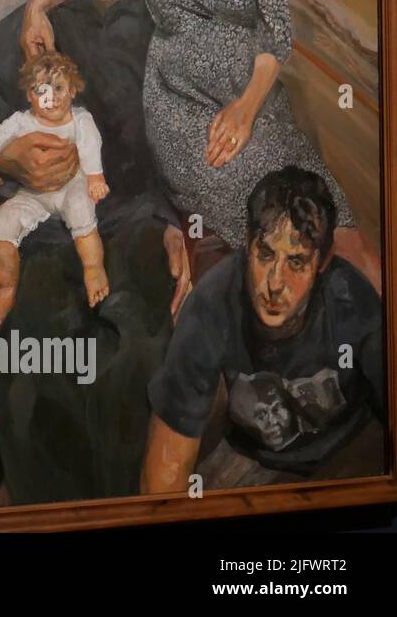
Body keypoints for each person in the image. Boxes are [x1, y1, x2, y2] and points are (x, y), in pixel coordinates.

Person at [20, 0, 378, 290]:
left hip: (252, 104)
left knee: (329, 211)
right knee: (267, 207)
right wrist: (36, 7)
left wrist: (246, 111)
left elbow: (274, 38)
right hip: (179, 109)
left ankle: (374, 329)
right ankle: (293, 312)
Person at [0, 0, 189, 505]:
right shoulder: (45, 23)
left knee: (135, 347)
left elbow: (187, 128)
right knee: (40, 347)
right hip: (51, 218)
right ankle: (50, 516)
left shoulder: (160, 14)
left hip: (136, 212)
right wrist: (5, 156)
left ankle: (123, 511)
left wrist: (175, 221)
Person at [142, 167, 385, 491]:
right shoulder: (210, 305)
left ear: (323, 261)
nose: (275, 283)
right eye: (266, 254)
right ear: (246, 244)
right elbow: (166, 469)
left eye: (296, 262)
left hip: (352, 447)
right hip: (254, 460)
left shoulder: (353, 300)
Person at [0, 51, 110, 326]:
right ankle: (6, 287)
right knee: (2, 225)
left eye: (59, 88)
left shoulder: (80, 120)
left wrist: (95, 176)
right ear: (29, 95)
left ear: (73, 90)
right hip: (35, 194)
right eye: (41, 90)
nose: (52, 97)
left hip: (72, 186)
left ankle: (94, 268)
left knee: (81, 210)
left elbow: (90, 144)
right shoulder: (21, 122)